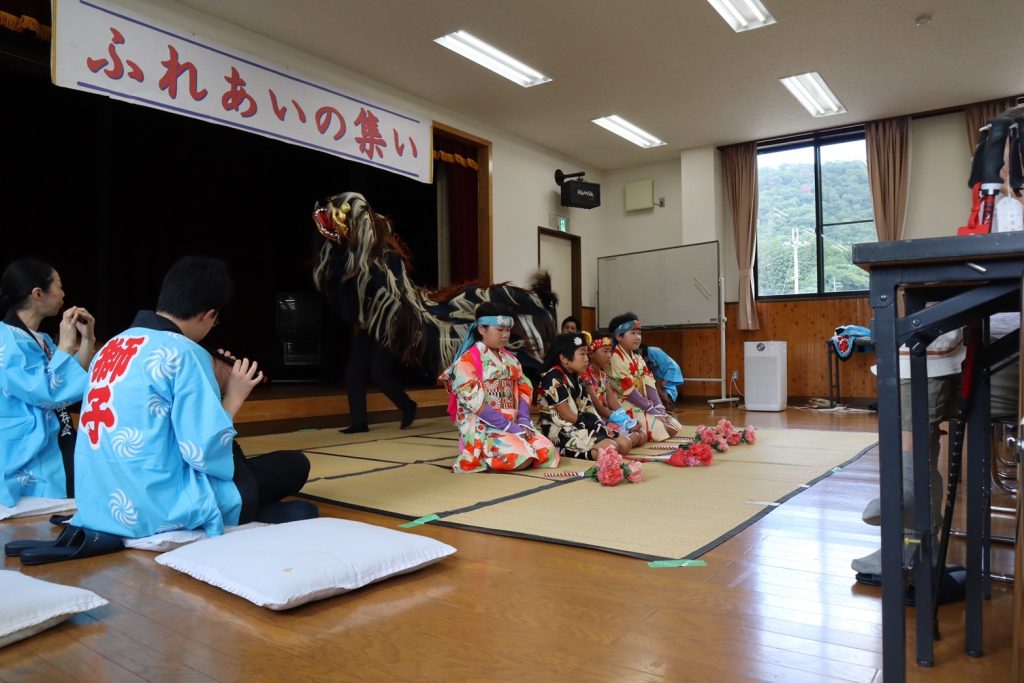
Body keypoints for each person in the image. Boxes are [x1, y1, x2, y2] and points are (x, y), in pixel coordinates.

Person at [71, 257, 316, 539]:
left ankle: (254, 510)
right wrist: (233, 396)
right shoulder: (185, 352)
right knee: (295, 465)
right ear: (208, 315)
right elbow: (203, 452)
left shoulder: (112, 346)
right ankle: (239, 512)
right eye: (216, 320)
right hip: (157, 506)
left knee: (248, 468)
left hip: (99, 500)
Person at [0, 259, 96, 507]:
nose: (64, 294)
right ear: (38, 293)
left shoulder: (38, 338)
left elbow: (70, 379)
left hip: (53, 439)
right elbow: (48, 392)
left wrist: (87, 339)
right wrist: (65, 344)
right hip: (25, 450)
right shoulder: (5, 341)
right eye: (59, 287)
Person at [443, 302, 558, 473]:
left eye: (508, 330)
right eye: (500, 330)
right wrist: (509, 427)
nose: (505, 335)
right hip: (485, 426)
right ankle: (482, 454)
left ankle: (513, 445)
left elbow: (524, 387)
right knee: (521, 457)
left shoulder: (510, 359)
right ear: (482, 329)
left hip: (513, 422)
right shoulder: (468, 361)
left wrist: (524, 420)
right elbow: (477, 405)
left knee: (547, 451)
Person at [536, 333, 634, 460]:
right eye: (582, 354)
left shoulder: (577, 376)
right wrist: (593, 427)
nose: (586, 358)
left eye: (586, 354)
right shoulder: (552, 377)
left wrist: (600, 426)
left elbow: (589, 407)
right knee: (610, 449)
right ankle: (562, 450)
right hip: (560, 428)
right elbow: (566, 415)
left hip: (578, 423)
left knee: (625, 443)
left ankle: (591, 450)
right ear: (564, 358)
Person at [605, 312, 681, 442]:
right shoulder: (614, 358)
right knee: (661, 430)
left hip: (642, 402)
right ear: (618, 336)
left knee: (673, 426)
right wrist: (650, 409)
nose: (638, 337)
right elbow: (627, 390)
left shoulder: (638, 357)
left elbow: (649, 381)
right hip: (625, 403)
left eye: (639, 333)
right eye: (633, 333)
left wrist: (658, 407)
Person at [580, 333, 646, 448]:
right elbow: (597, 407)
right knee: (631, 439)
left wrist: (626, 419)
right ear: (591, 353)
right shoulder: (585, 374)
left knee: (642, 434)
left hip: (608, 415)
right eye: (605, 351)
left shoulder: (602, 374)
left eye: (610, 351)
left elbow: (612, 401)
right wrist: (623, 421)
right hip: (596, 418)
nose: (609, 355)